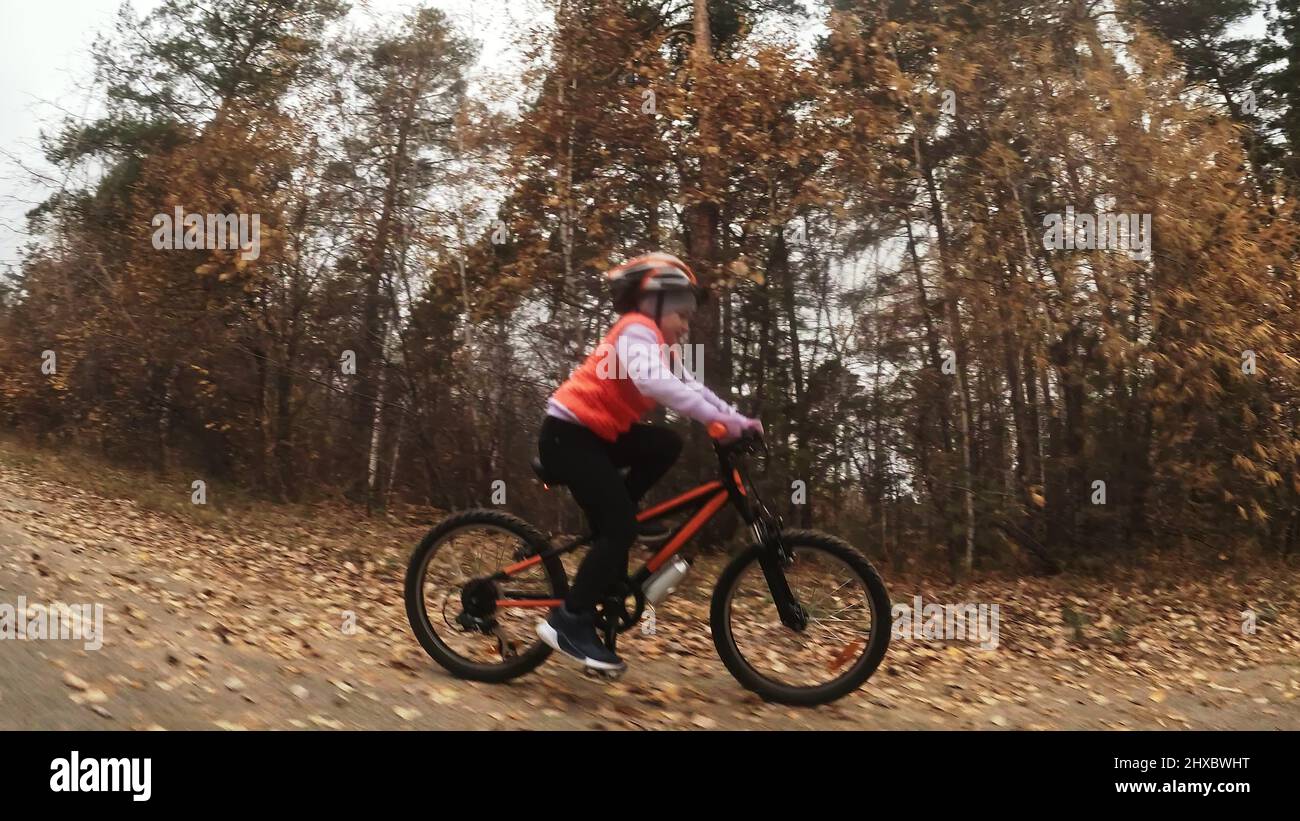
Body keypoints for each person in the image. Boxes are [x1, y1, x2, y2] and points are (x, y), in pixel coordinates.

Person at [535, 252, 762, 672]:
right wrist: (719, 421)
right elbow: (653, 382)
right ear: (653, 304)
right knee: (619, 525)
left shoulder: (659, 344)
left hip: (596, 438)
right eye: (682, 314)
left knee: (664, 443)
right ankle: (568, 622)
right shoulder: (635, 330)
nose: (687, 324)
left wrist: (735, 418)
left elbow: (690, 385)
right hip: (569, 437)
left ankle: (620, 517)